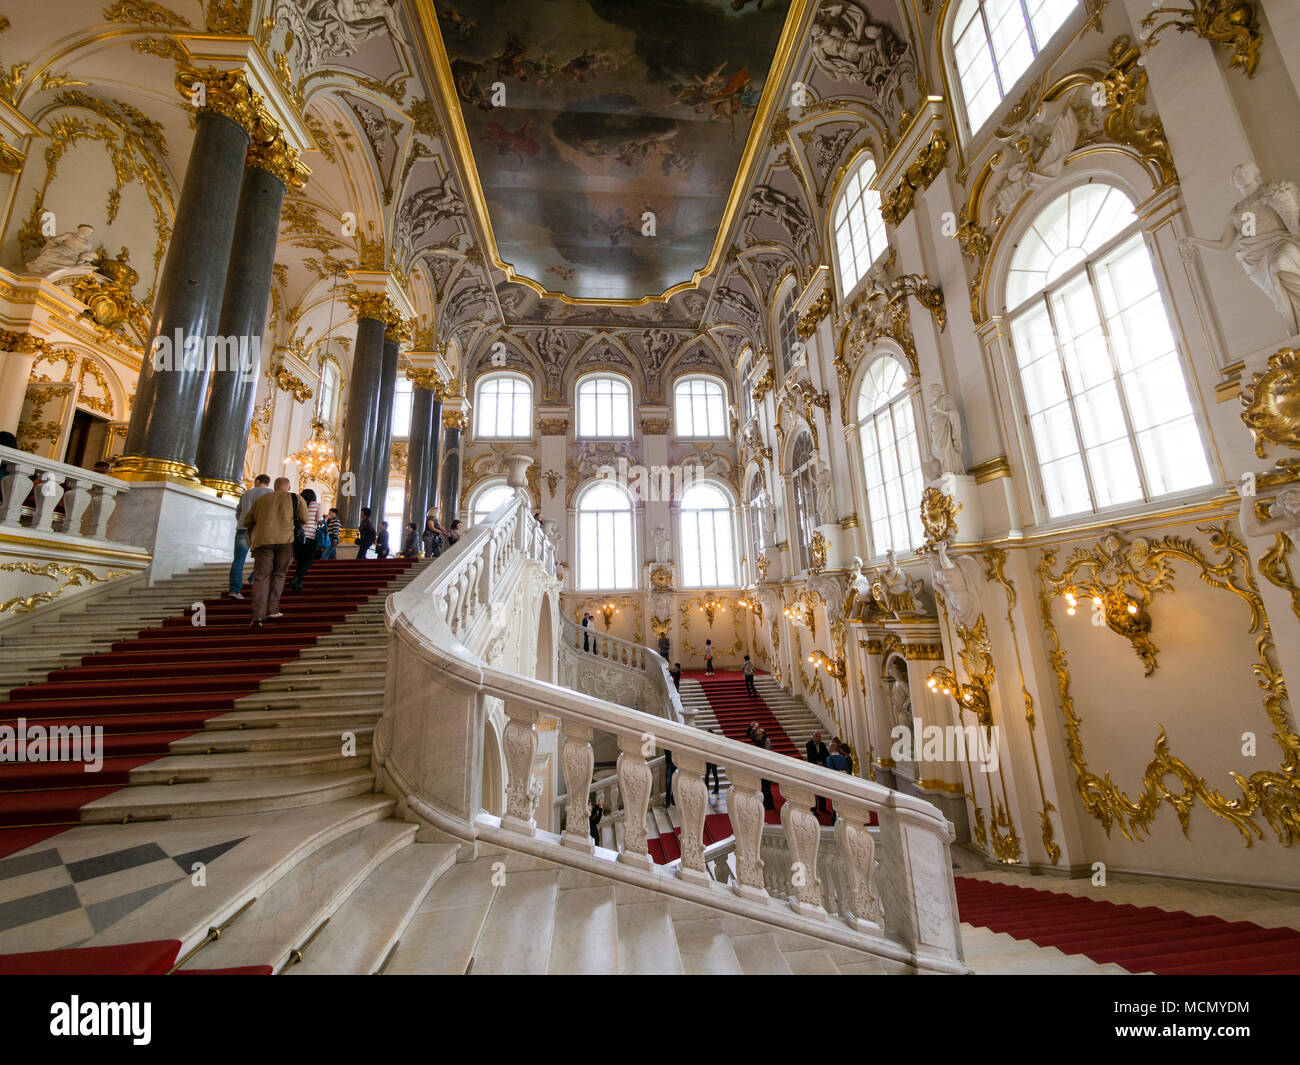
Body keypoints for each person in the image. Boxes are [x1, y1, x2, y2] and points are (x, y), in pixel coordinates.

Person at [243, 476, 307, 626]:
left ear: (275, 486)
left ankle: (258, 614)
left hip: (263, 541)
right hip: (286, 541)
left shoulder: (262, 500)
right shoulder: (295, 498)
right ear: (288, 487)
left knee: (261, 576)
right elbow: (304, 518)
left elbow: (247, 521)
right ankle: (272, 610)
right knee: (278, 575)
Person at [229, 474, 271, 600]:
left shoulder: (246, 494)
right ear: (268, 483)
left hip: (243, 528)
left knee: (238, 560)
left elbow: (238, 512)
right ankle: (253, 578)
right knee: (263, 558)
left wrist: (242, 522)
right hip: (261, 530)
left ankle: (234, 590)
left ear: (257, 481)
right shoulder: (271, 493)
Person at [289, 487, 322, 592]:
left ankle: (298, 582)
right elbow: (320, 521)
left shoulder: (298, 504)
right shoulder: (317, 505)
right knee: (307, 560)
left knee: (299, 558)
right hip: (311, 536)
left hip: (298, 535)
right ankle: (297, 578)